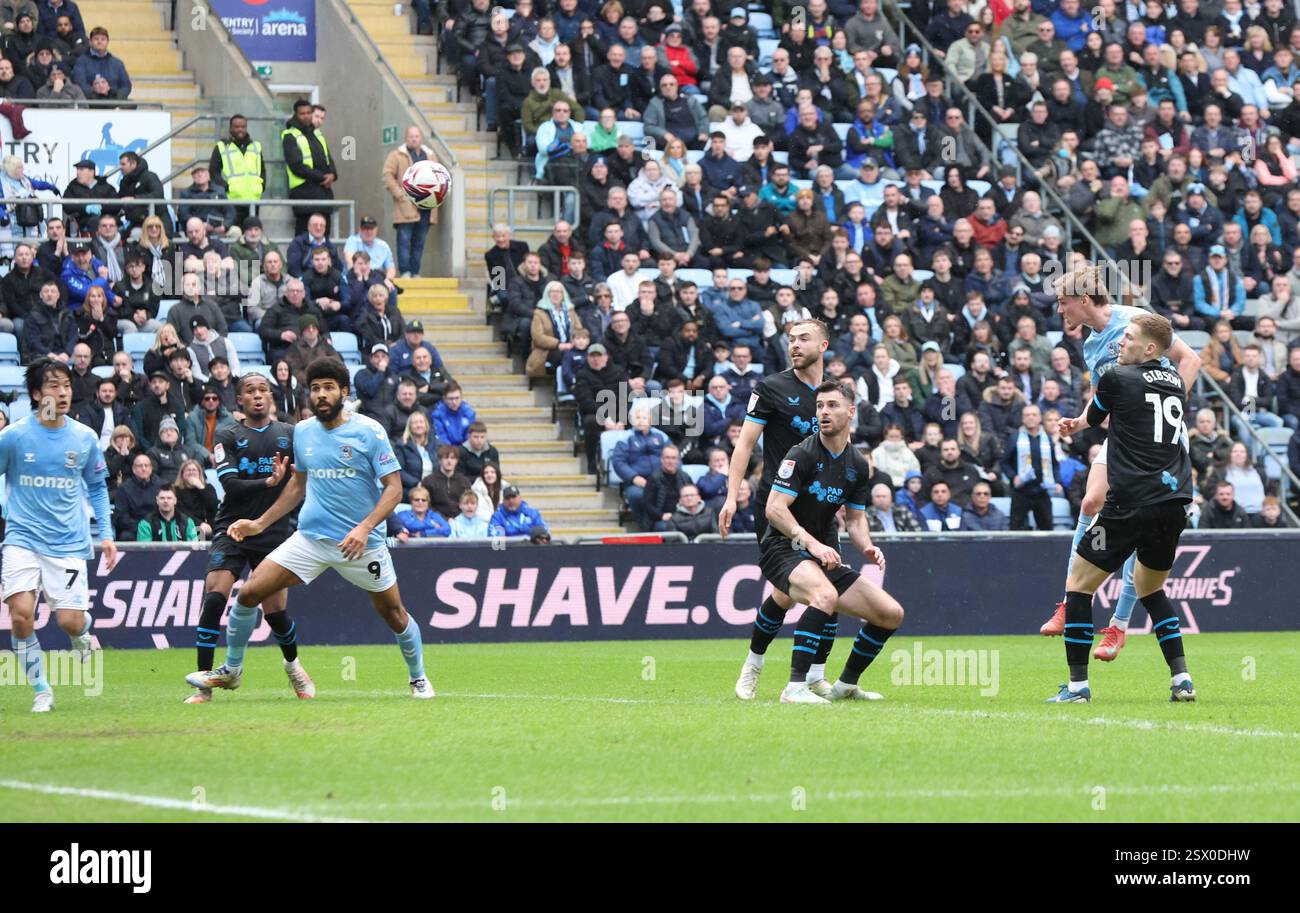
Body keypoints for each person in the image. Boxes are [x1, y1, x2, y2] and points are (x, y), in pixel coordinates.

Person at [188, 361, 433, 699]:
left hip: (361, 544)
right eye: (315, 388)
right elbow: (296, 486)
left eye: (329, 387)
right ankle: (231, 671)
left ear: (344, 392)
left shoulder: (369, 431)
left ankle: (418, 678)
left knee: (393, 613)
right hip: (311, 539)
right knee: (248, 594)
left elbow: (393, 489)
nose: (321, 394)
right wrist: (260, 523)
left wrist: (364, 528)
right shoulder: (302, 431)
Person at [1040, 266, 1201, 661]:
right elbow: (1101, 398)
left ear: (1082, 299)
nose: (1060, 310)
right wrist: (1079, 423)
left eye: (1063, 302)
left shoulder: (1133, 322)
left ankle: (1119, 625)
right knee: (1091, 502)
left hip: (1159, 443)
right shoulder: (1090, 345)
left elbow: (1190, 359)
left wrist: (1172, 406)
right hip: (1124, 437)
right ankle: (1069, 601)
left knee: (1136, 517)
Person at [760, 379, 904, 704]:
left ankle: (846, 686)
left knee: (890, 613)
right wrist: (811, 544)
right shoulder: (801, 454)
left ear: (851, 411)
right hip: (784, 547)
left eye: (832, 405)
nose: (824, 412)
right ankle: (795, 688)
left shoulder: (858, 465)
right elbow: (774, 509)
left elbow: (854, 519)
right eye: (820, 406)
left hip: (819, 551)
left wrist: (865, 545)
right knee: (824, 595)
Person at [721, 320, 840, 700]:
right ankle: (753, 665)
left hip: (820, 507)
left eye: (803, 338)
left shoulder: (834, 393)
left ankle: (816, 677)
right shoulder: (771, 388)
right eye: (790, 339)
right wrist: (730, 494)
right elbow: (744, 445)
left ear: (823, 345)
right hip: (778, 507)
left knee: (824, 585)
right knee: (791, 592)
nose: (794, 345)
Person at [0, 358, 117, 713]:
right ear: (36, 394)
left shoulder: (84, 438)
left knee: (69, 621)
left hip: (67, 542)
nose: (62, 391)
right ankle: (42, 691)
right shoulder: (14, 437)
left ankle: (83, 632)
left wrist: (107, 534)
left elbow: (96, 487)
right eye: (53, 385)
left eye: (65, 384)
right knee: (21, 614)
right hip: (22, 536)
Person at [381, 126, 438, 278]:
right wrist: (400, 194)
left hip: (426, 205)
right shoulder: (397, 155)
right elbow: (387, 175)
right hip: (405, 205)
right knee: (404, 239)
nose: (414, 139)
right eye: (411, 136)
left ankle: (415, 271)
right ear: (406, 138)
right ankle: (405, 271)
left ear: (421, 138)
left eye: (417, 136)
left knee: (420, 241)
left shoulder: (430, 155)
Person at [282, 98, 337, 235]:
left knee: (324, 239)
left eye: (308, 113)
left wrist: (333, 175)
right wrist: (322, 177)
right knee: (304, 239)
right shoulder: (290, 136)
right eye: (302, 113)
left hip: (323, 194)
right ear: (296, 114)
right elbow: (296, 165)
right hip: (304, 194)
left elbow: (328, 159)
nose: (306, 116)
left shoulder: (317, 134)